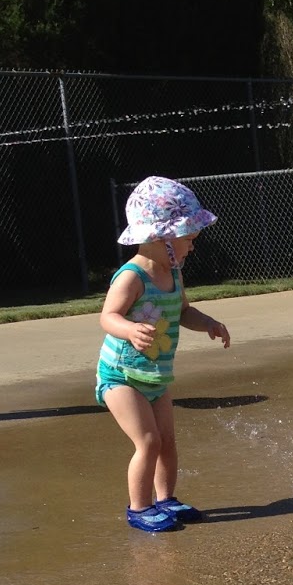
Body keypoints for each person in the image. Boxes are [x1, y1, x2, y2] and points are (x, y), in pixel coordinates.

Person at [96, 176, 231, 533]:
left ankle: (165, 499)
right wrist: (129, 329)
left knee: (168, 441)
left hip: (155, 375)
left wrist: (209, 324)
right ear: (162, 237)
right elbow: (108, 317)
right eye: (188, 239)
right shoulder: (131, 277)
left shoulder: (173, 273)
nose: (191, 246)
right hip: (120, 375)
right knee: (149, 441)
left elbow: (184, 311)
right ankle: (139, 509)